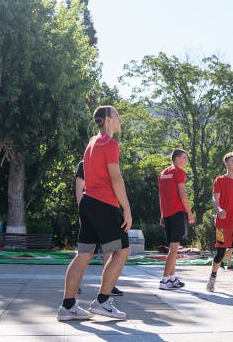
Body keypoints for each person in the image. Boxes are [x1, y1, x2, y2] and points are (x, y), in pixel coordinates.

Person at [57, 106, 131, 321]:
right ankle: (102, 301)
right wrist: (126, 209)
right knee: (121, 252)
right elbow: (116, 179)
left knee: (84, 254)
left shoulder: (92, 142)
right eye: (117, 116)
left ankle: (67, 306)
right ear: (108, 119)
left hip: (88, 204)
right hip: (104, 205)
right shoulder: (110, 143)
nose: (120, 120)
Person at [74, 160, 123, 297]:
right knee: (85, 251)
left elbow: (115, 185)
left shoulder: (108, 163)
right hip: (91, 210)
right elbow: (79, 188)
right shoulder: (84, 164)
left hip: (107, 210)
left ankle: (108, 286)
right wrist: (80, 212)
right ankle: (75, 284)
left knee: (110, 250)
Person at [206, 152, 233, 296]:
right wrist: (218, 210)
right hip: (223, 222)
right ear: (226, 164)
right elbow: (215, 199)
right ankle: (212, 277)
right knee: (220, 253)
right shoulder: (219, 180)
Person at [157, 149, 195, 290]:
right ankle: (164, 280)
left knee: (173, 248)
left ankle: (172, 278)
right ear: (177, 159)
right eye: (184, 158)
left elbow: (161, 196)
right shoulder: (178, 172)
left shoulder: (162, 174)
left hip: (167, 214)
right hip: (178, 213)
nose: (186, 160)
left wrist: (162, 214)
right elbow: (183, 194)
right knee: (173, 250)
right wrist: (190, 214)